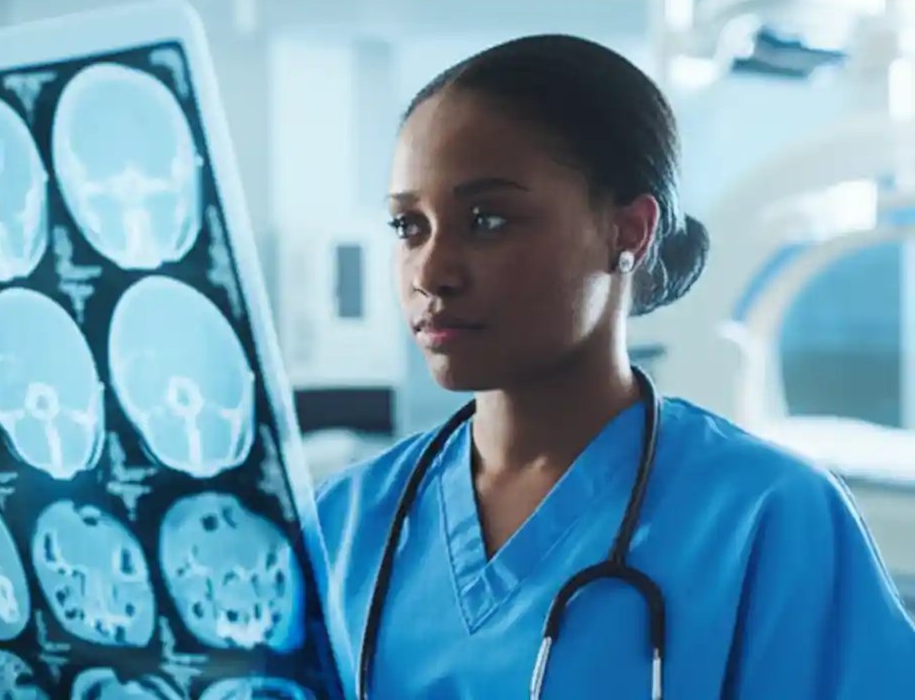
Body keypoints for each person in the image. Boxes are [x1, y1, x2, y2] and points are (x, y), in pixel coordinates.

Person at [313, 34, 915, 699]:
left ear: (628, 232)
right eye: (409, 226)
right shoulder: (341, 527)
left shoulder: (767, 521)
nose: (430, 272)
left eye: (487, 219)